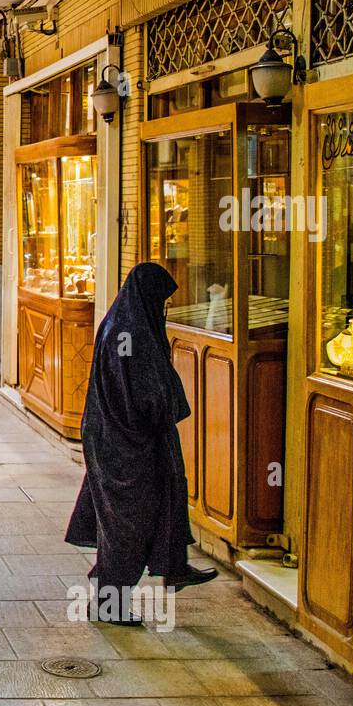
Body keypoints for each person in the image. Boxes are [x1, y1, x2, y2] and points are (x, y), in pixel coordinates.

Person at [64, 263, 216, 625]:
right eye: (160, 301)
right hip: (124, 445)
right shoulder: (128, 332)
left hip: (121, 438)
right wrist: (165, 406)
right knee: (125, 524)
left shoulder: (126, 323)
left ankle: (172, 566)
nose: (163, 309)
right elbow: (143, 395)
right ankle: (108, 604)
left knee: (153, 507)